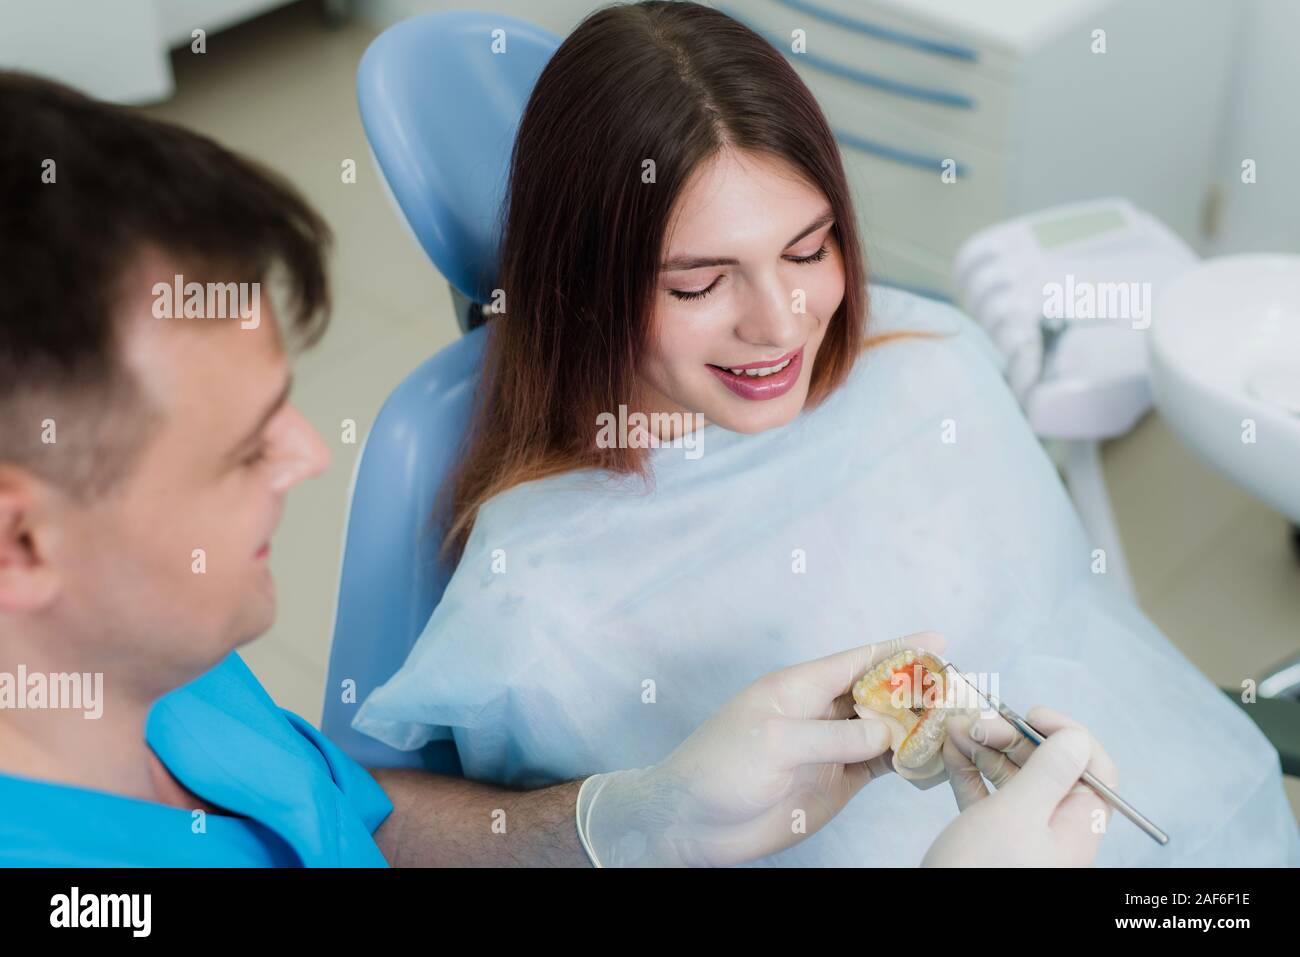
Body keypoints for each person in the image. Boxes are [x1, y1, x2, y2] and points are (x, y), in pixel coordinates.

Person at [0, 69, 1116, 869]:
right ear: (21, 540)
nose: (306, 454)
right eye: (244, 447)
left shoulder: (162, 668)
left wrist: (626, 824)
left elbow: (344, 819)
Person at [352, 1, 1300, 867]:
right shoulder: (541, 597)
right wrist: (633, 817)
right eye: (698, 283)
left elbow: (1064, 617)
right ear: (585, 285)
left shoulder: (928, 363)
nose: (782, 322)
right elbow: (373, 821)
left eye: (808, 249)